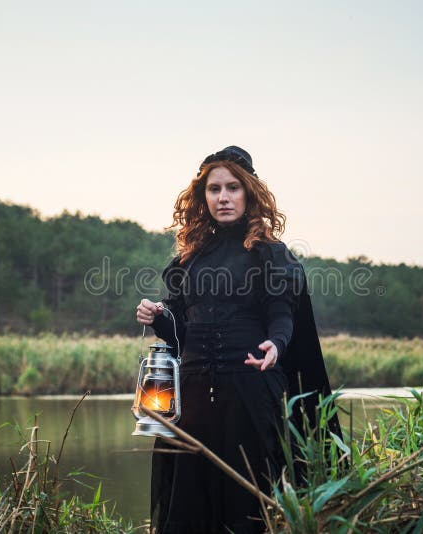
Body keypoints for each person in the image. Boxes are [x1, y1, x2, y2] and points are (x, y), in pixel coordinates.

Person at [135, 146, 338, 534]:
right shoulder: (189, 259)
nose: (223, 197)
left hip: (249, 392)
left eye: (232, 188)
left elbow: (282, 311)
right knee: (190, 508)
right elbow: (181, 325)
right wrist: (159, 315)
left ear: (249, 193)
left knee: (250, 507)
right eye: (214, 189)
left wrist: (276, 344)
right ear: (203, 196)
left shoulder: (269, 254)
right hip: (191, 400)